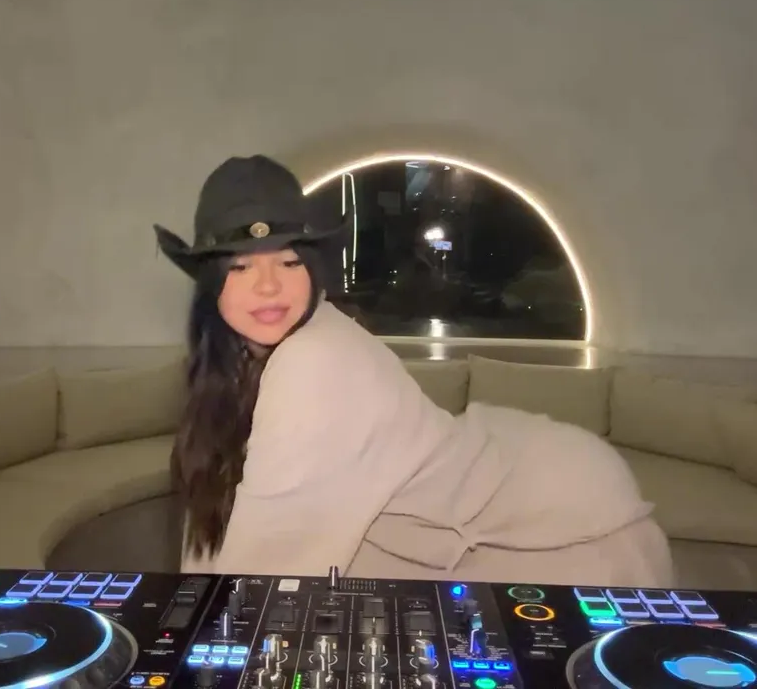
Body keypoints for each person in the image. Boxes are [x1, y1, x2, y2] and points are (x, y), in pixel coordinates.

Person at [154, 155, 674, 587]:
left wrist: (195, 640)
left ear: (313, 270)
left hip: (557, 515)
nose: (268, 285)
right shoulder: (242, 355)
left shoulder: (314, 361)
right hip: (502, 479)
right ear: (211, 284)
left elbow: (264, 572)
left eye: (289, 262)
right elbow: (218, 519)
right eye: (240, 266)